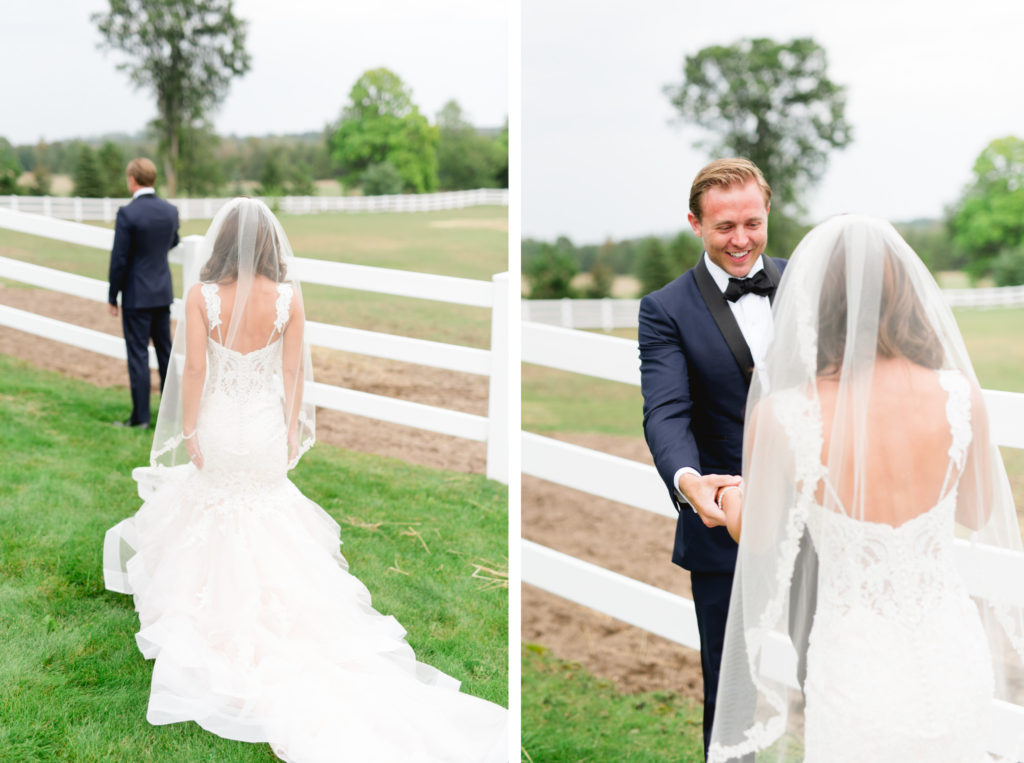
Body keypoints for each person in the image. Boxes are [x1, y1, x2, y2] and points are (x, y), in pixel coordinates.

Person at [102, 198, 507, 762]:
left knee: (215, 502)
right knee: (265, 510)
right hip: (264, 427)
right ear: (271, 245)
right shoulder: (288, 298)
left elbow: (193, 368)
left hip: (220, 422)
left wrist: (191, 428)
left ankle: (218, 608)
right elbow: (292, 371)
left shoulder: (201, 297)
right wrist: (290, 429)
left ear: (222, 243)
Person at [709, 215, 1024, 761]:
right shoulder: (959, 396)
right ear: (907, 295)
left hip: (855, 658)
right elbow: (977, 511)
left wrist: (728, 498)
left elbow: (756, 537)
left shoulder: (783, 414)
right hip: (951, 649)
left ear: (813, 302)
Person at [638, 157, 786, 757]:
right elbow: (665, 412)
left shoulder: (810, 284)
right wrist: (689, 480)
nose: (741, 240)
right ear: (696, 224)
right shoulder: (665, 309)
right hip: (725, 520)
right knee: (731, 696)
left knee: (835, 675)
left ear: (767, 213)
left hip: (821, 518)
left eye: (752, 223)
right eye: (724, 226)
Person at [107, 157, 180, 428]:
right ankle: (170, 415)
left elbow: (120, 259)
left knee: (138, 354)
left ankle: (140, 418)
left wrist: (113, 295)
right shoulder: (170, 211)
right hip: (162, 292)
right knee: (165, 353)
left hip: (137, 295)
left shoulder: (128, 214)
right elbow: (173, 241)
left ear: (132, 180)